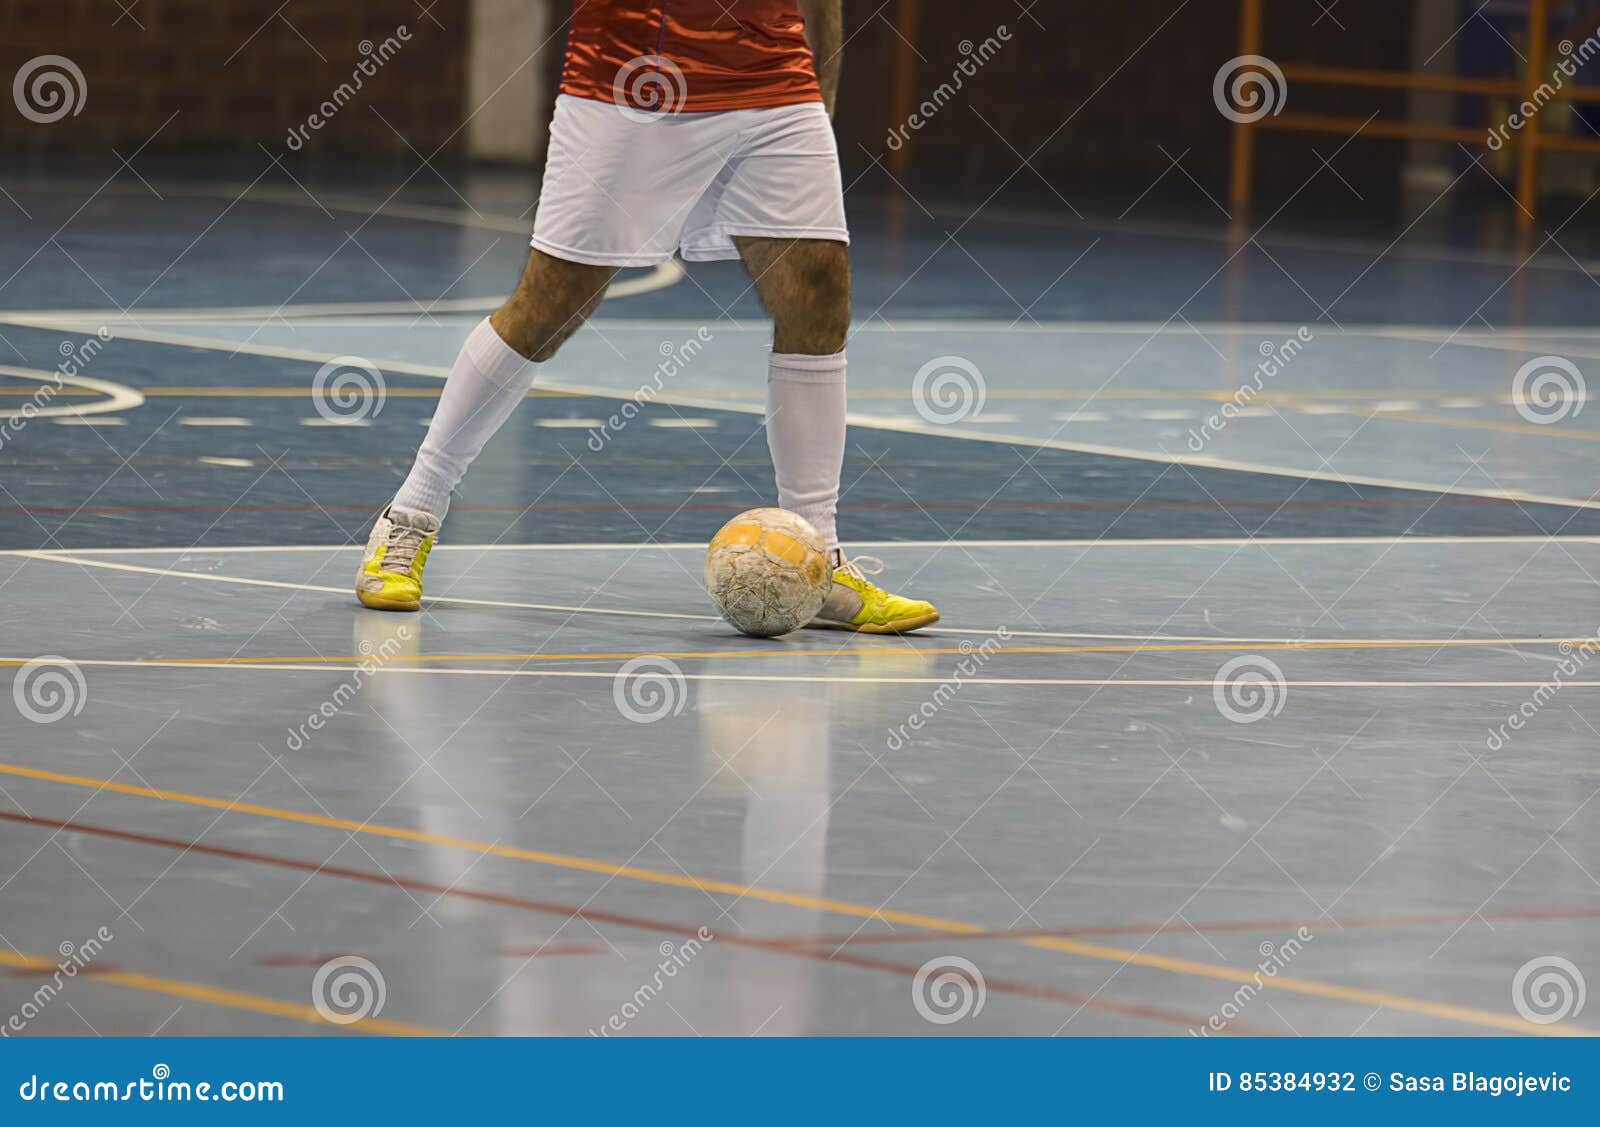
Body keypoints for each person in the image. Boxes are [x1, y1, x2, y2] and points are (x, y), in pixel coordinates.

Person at [355, 0, 939, 633]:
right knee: (552, 303)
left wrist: (817, 94)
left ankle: (818, 557)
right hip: (630, 75)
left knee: (818, 293)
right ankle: (410, 514)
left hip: (775, 77)